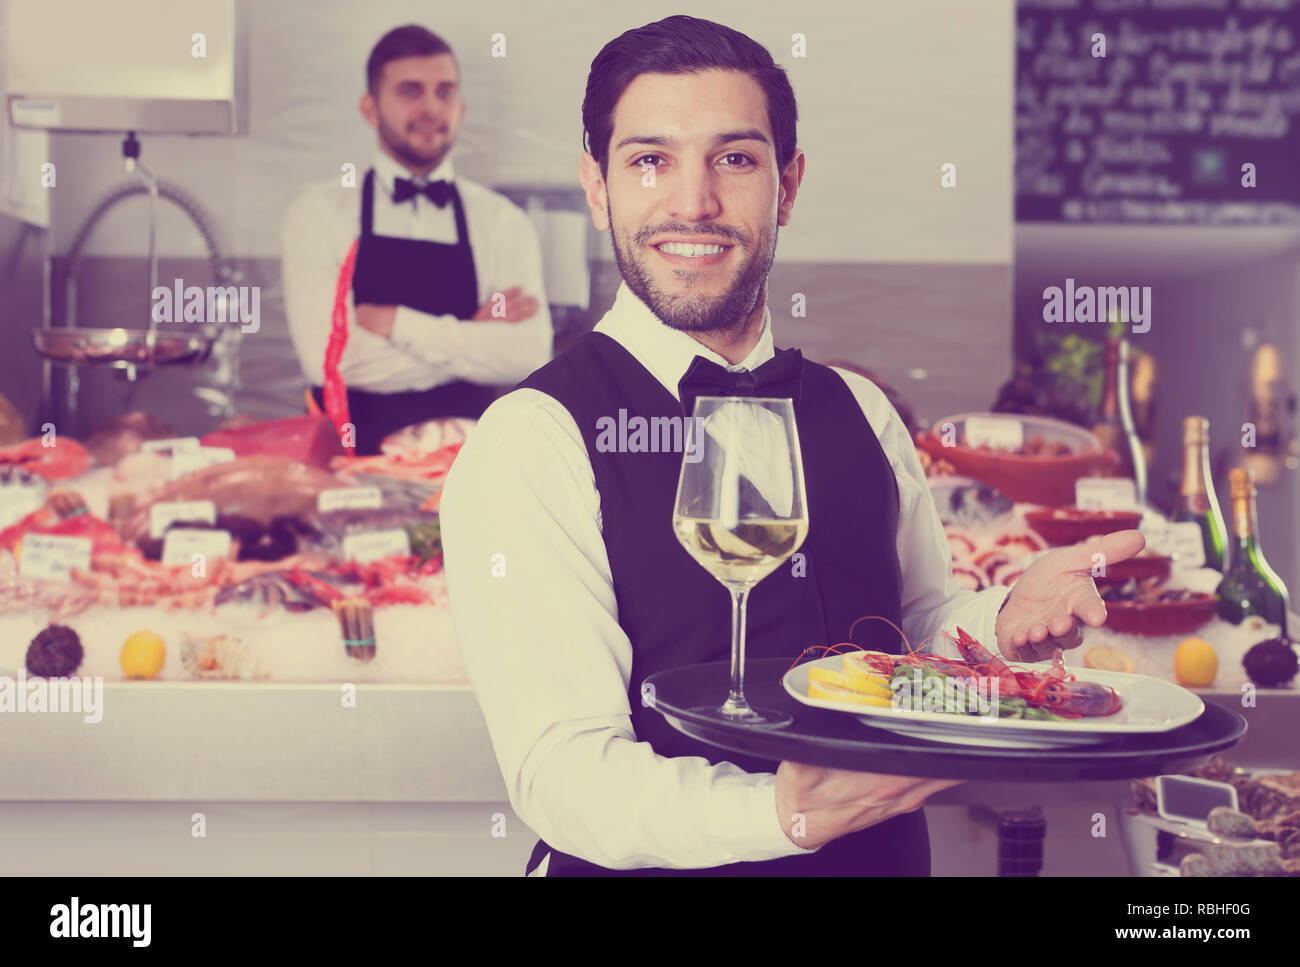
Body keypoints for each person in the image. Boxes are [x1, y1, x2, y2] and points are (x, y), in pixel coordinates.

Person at [440, 15, 1145, 876]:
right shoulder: (531, 439)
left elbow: (911, 626)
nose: (692, 202)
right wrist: (783, 814)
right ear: (598, 187)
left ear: (789, 184)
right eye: (649, 160)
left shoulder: (862, 409)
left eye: (734, 159)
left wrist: (1000, 619)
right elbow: (563, 773)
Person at [281, 24, 552, 455]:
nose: (431, 107)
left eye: (444, 92)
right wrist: (469, 336)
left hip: (473, 467)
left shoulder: (503, 221)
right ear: (370, 109)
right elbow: (328, 362)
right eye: (410, 91)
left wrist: (394, 324)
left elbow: (526, 353)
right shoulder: (318, 216)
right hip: (352, 469)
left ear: (460, 106)